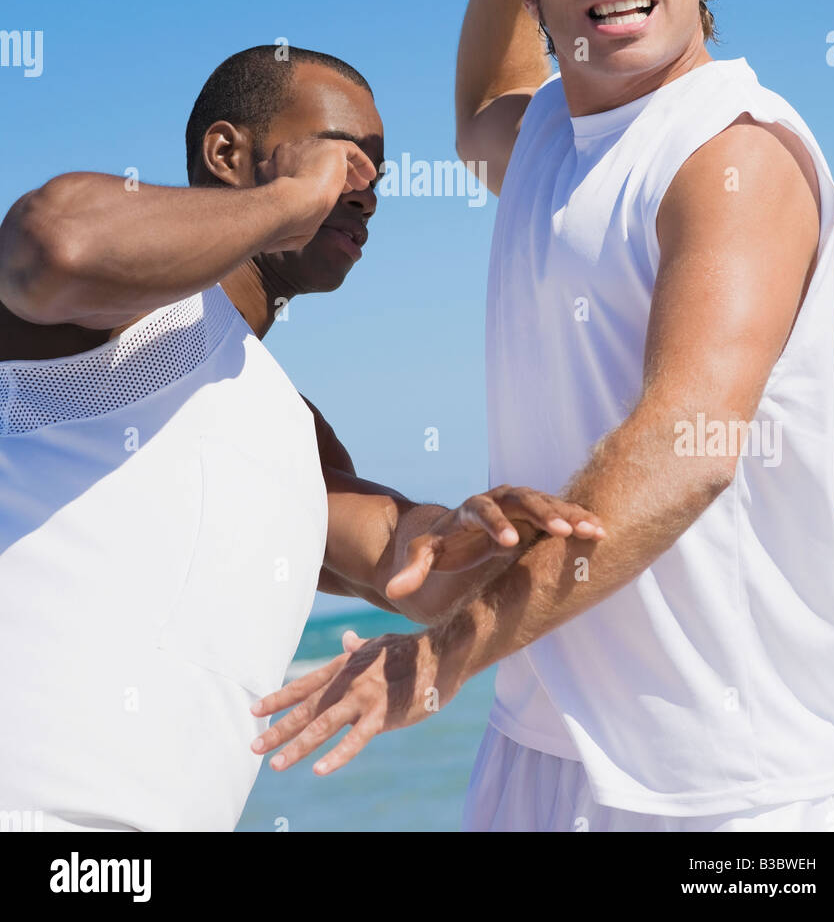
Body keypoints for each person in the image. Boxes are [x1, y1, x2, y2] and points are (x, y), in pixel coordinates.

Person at [251, 0, 834, 834]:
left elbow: (686, 448)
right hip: (538, 741)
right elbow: (480, 104)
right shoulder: (542, 135)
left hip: (725, 784)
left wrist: (441, 659)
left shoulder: (732, 151)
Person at [0, 43, 604, 833]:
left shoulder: (290, 426)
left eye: (378, 177)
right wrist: (291, 200)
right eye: (344, 158)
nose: (366, 192)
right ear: (227, 154)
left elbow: (407, 562)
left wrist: (480, 533)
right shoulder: (114, 316)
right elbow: (54, 246)